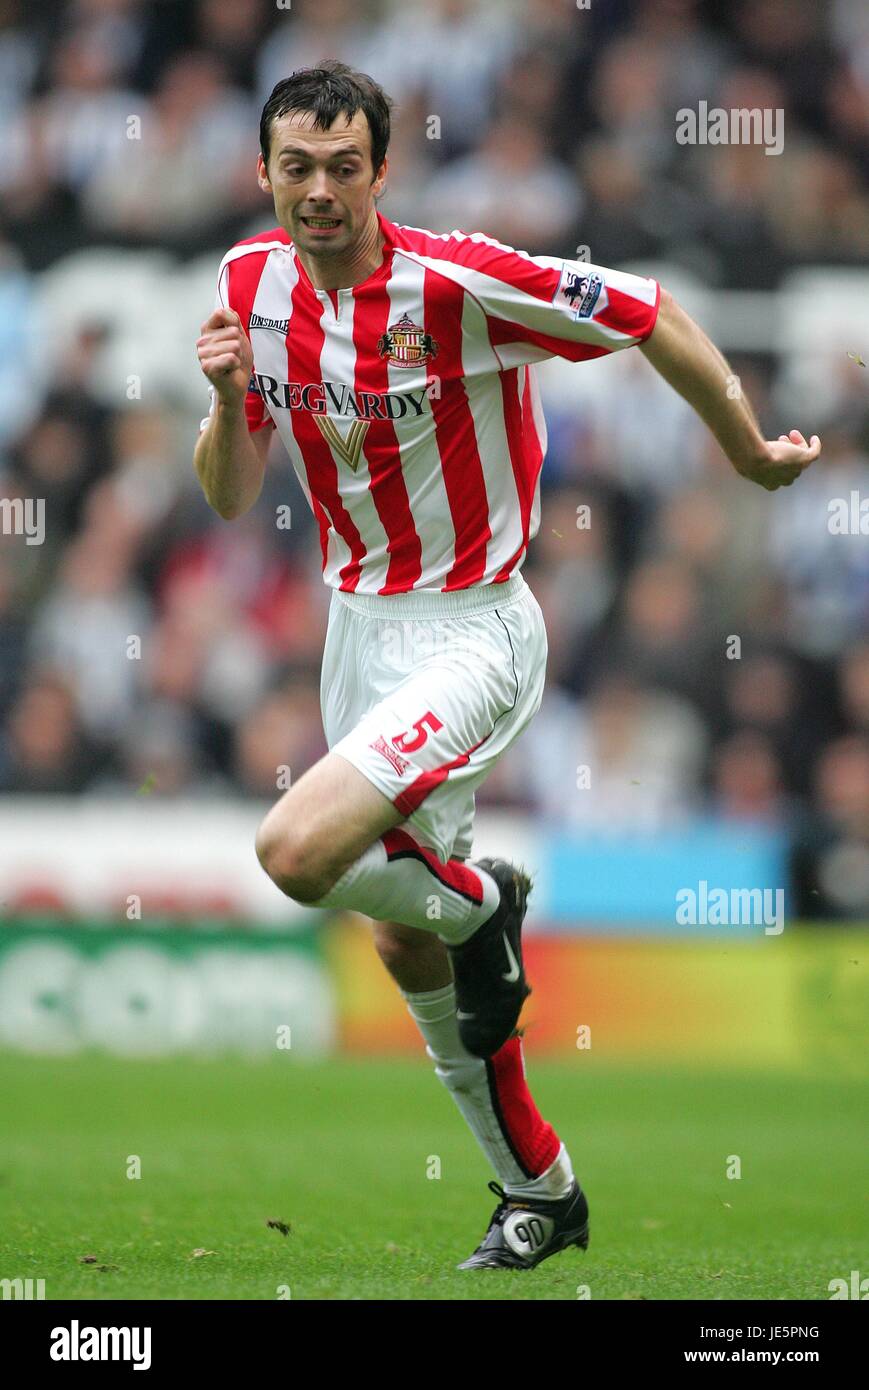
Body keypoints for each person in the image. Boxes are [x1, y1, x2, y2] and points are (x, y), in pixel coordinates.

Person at [193, 60, 821, 1271]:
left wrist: (742, 450)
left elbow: (649, 308)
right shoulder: (246, 287)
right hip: (354, 632)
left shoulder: (461, 282)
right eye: (294, 169)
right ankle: (539, 1190)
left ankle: (488, 907)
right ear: (263, 172)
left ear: (383, 171)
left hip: (474, 626)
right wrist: (226, 404)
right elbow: (227, 496)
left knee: (294, 853)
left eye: (340, 169)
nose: (317, 193)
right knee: (397, 939)